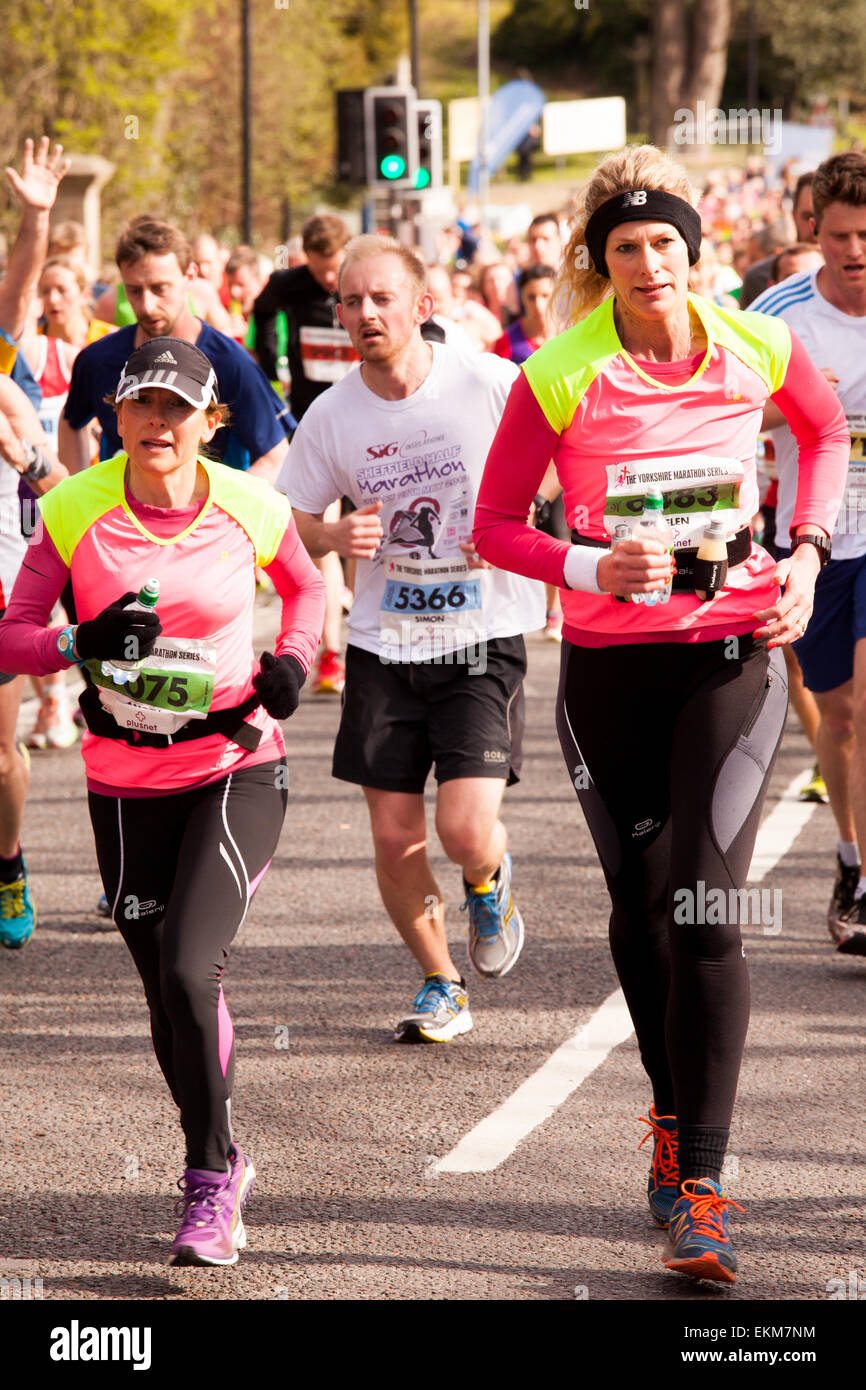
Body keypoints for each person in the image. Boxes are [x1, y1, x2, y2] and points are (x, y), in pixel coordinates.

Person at [473, 145, 848, 1283]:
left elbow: (821, 436)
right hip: (606, 671)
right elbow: (495, 523)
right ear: (600, 261)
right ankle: (668, 1111)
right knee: (639, 911)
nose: (649, 265)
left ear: (695, 259)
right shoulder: (561, 369)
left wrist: (805, 556)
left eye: (667, 248)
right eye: (626, 248)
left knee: (705, 910)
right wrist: (589, 566)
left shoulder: (756, 344)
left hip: (727, 653)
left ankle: (703, 1186)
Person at [0, 337, 325, 1263]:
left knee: (190, 971)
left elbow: (304, 588)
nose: (157, 423)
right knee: (165, 999)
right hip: (120, 778)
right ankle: (224, 1156)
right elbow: (12, 636)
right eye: (141, 405)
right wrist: (79, 641)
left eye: (177, 409)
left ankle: (211, 1181)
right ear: (114, 416)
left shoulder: (248, 506)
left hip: (235, 762)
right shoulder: (73, 508)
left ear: (209, 422)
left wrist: (294, 663)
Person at [279, 234, 544, 1042]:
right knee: (395, 835)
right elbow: (290, 520)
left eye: (381, 299)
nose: (364, 314)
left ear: (422, 306)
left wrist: (514, 516)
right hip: (383, 642)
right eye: (350, 302)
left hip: (480, 634)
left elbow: (561, 461)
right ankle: (441, 981)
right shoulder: (333, 415)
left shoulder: (489, 382)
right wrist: (332, 540)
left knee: (463, 828)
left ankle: (487, 878)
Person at [750, 151, 866, 954]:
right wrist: (785, 404)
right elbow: (726, 416)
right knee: (845, 715)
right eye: (841, 236)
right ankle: (850, 856)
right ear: (813, 232)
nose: (857, 250)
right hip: (819, 536)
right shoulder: (777, 313)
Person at [60, 218, 290, 481]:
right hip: (118, 518)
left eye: (160, 289)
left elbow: (276, 457)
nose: (147, 305)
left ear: (189, 275)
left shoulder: (231, 362)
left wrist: (220, 512)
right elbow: (71, 423)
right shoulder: (97, 359)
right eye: (134, 291)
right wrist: (82, 495)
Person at [252, 214, 358, 696]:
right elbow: (261, 311)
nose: (328, 282)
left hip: (365, 414)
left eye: (333, 270)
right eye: (318, 272)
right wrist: (273, 366)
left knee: (357, 537)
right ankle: (331, 652)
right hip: (311, 420)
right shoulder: (289, 284)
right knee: (322, 536)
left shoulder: (361, 278)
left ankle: (355, 643)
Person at [19, 256, 114, 750]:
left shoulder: (98, 351)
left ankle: (100, 687)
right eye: (44, 290)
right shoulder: (24, 356)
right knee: (36, 595)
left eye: (61, 289)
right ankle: (55, 699)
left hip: (94, 494)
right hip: (32, 495)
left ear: (82, 292)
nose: (52, 300)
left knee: (86, 597)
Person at [0, 373, 68, 947]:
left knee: (0, 760)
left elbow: (60, 487)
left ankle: (8, 866)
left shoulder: (1, 390)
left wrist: (20, 453)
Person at [740, 172, 817, 308]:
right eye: (807, 216)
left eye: (823, 217)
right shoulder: (759, 277)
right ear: (793, 217)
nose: (815, 226)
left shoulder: (855, 273)